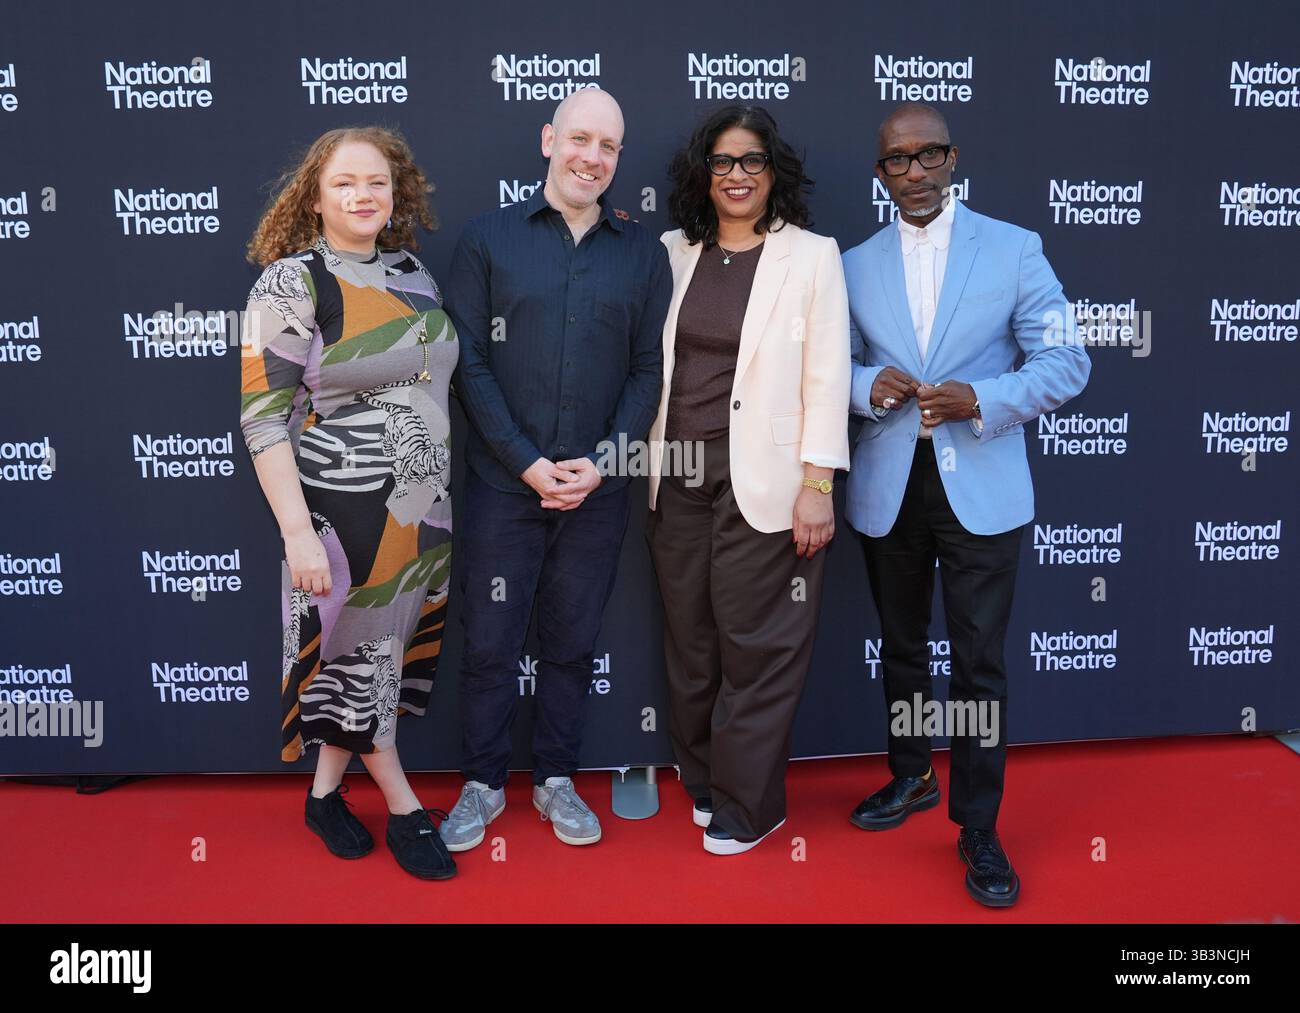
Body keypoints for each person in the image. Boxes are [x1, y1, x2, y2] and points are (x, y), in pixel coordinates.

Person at [843, 102, 1090, 906]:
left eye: (927, 156)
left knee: (980, 665)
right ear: (879, 175)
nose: (913, 172)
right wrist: (860, 385)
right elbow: (827, 367)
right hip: (889, 483)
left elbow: (1067, 360)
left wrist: (980, 396)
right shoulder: (852, 263)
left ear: (953, 159)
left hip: (981, 482)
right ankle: (911, 774)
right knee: (904, 648)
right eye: (896, 162)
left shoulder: (1017, 250)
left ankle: (979, 826)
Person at [440, 88, 671, 851]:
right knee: (490, 641)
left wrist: (601, 465)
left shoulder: (643, 251)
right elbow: (469, 364)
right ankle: (481, 784)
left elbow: (648, 372)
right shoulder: (487, 240)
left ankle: (557, 779)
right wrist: (528, 462)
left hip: (597, 494)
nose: (592, 158)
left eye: (608, 147)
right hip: (505, 487)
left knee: (572, 641)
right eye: (579, 139)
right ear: (548, 140)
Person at [241, 126, 458, 880]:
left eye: (377, 182)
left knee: (376, 661)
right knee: (358, 657)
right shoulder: (290, 283)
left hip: (420, 515)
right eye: (345, 183)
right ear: (316, 195)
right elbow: (263, 416)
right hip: (344, 517)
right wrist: (298, 534)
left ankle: (325, 794)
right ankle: (402, 804)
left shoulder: (414, 273)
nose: (364, 196)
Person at [647, 105, 850, 855]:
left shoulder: (812, 255)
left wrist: (817, 483)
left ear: (774, 173)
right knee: (692, 642)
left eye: (753, 162)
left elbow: (827, 377)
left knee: (757, 648)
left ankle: (750, 806)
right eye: (724, 162)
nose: (738, 176)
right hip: (676, 474)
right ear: (704, 174)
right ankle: (702, 783)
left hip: (766, 478)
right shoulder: (671, 251)